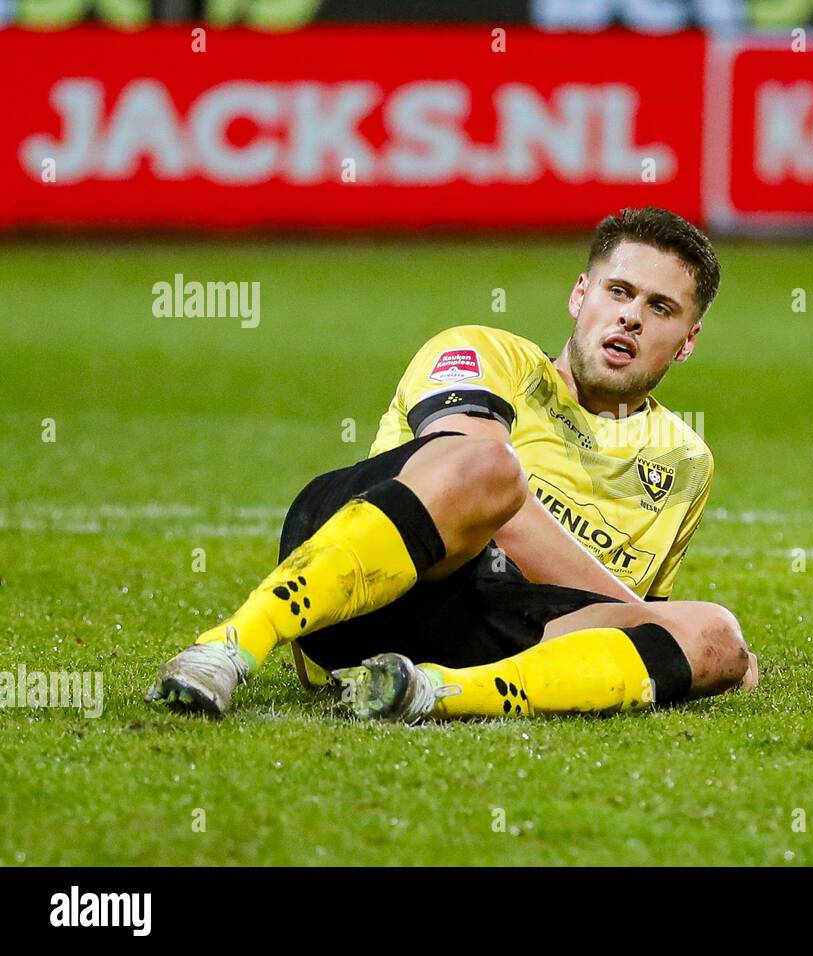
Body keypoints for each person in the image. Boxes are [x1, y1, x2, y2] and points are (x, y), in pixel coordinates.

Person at [147, 206, 758, 723]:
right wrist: (645, 615)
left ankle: (430, 694)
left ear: (688, 340)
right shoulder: (486, 353)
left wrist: (689, 643)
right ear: (580, 295)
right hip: (385, 584)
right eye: (618, 292)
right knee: (490, 464)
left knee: (716, 633)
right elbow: (483, 490)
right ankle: (230, 646)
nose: (630, 316)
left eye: (660, 308)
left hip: (488, 637)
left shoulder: (685, 462)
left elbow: (616, 627)